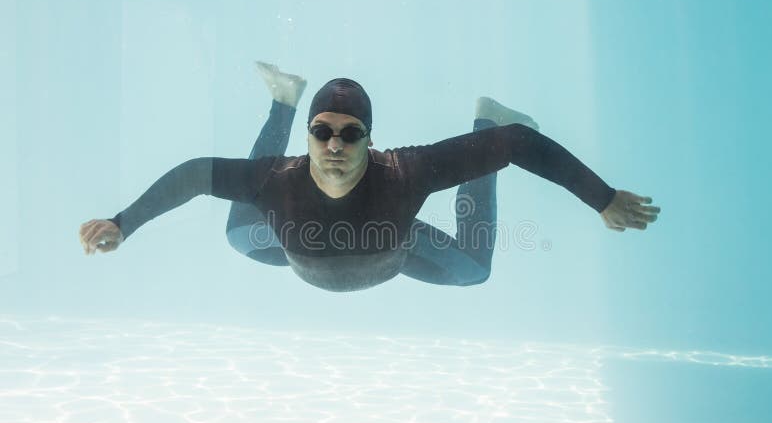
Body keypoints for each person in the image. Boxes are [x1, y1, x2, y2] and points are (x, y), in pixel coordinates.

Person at [78, 62, 660, 292]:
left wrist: (602, 198)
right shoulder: (275, 180)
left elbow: (518, 146)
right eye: (321, 131)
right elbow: (194, 176)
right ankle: (285, 100)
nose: (335, 144)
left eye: (350, 133)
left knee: (476, 269)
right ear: (309, 138)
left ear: (369, 138)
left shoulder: (404, 174)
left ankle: (486, 114)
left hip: (394, 253)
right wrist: (123, 223)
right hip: (295, 251)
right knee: (237, 232)